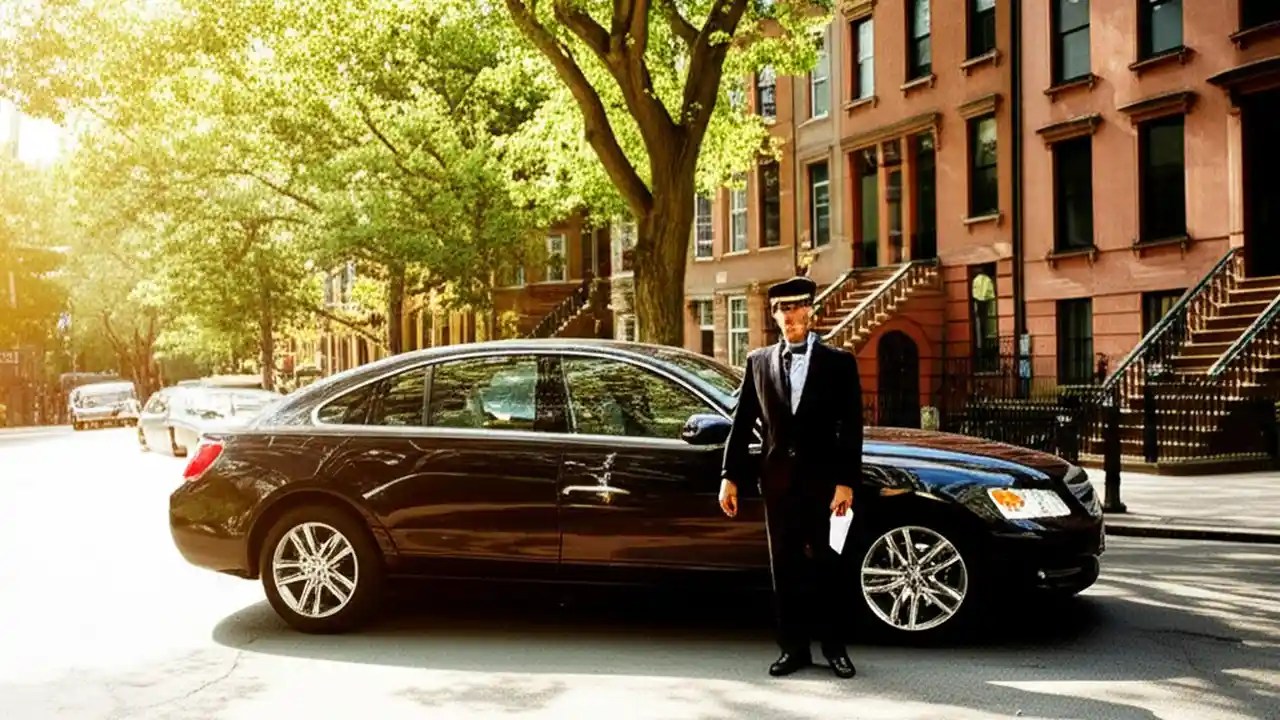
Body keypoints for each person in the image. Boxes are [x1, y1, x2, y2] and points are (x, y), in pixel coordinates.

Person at [718, 275, 863, 679]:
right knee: (784, 567)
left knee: (829, 565)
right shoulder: (758, 362)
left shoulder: (839, 363)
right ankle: (793, 649)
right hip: (778, 484)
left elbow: (851, 427)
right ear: (773, 315)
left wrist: (845, 482)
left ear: (811, 312)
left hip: (825, 485)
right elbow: (742, 422)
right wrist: (730, 475)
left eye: (797, 307)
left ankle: (835, 649)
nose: (790, 316)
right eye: (782, 309)